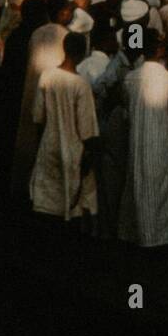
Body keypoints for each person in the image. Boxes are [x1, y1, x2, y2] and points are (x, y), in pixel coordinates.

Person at [118, 29, 168, 247]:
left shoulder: (130, 78)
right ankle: (159, 237)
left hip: (137, 144)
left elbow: (126, 113)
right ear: (159, 50)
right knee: (161, 191)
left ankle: (139, 234)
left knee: (139, 187)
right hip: (160, 144)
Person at [29, 32, 100, 223]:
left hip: (49, 145)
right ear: (83, 52)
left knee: (48, 200)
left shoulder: (47, 76)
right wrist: (90, 155)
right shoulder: (81, 85)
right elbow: (87, 129)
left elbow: (38, 116)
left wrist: (39, 147)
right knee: (72, 203)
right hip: (73, 149)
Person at [13, 0, 74, 199]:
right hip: (53, 94)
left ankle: (24, 187)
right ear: (63, 12)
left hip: (31, 91)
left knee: (29, 139)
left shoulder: (37, 33)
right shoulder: (66, 36)